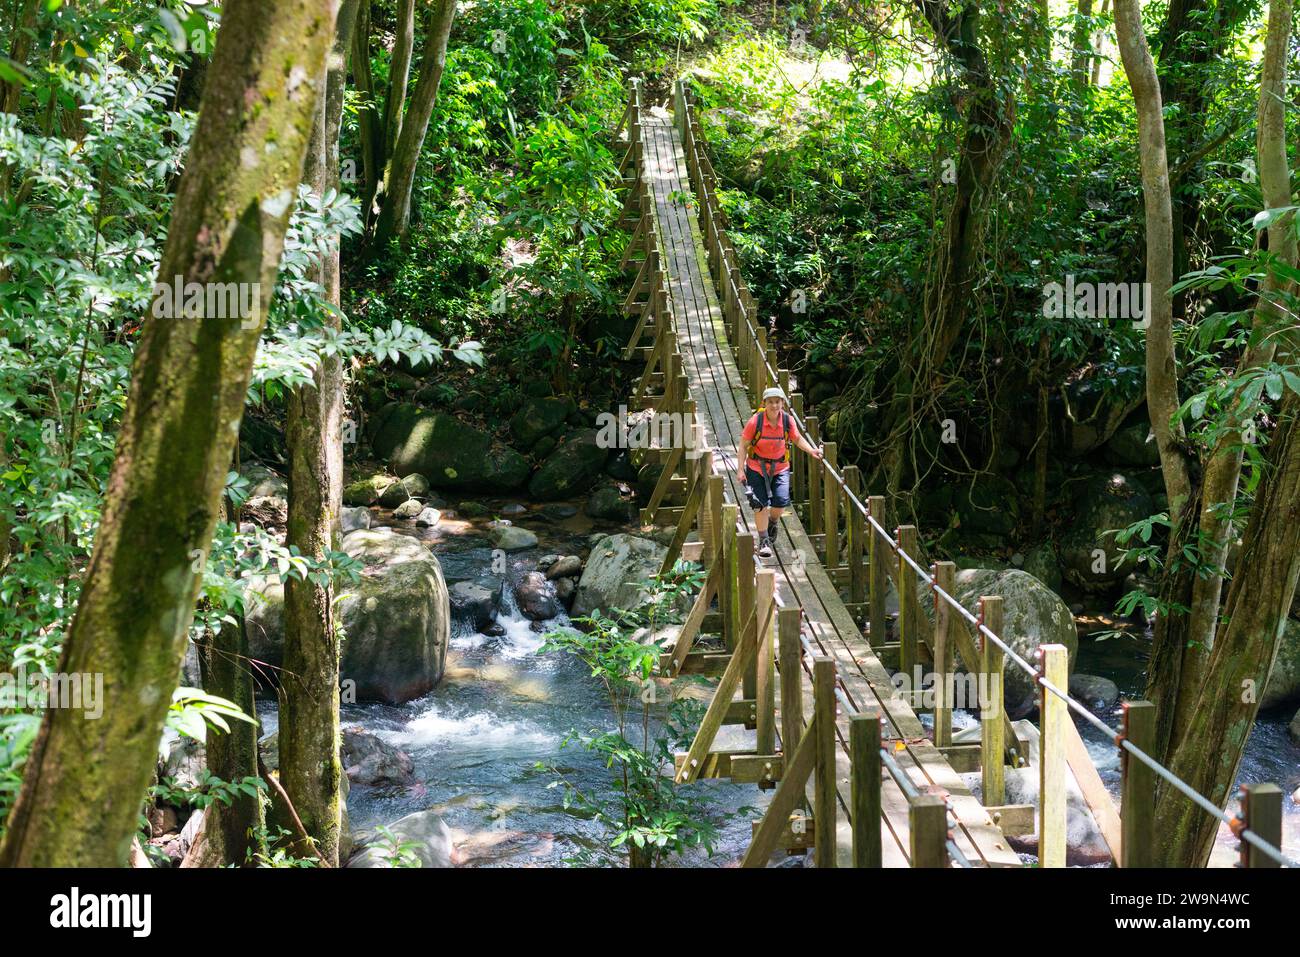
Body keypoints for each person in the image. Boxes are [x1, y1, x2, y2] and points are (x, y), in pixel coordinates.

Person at [736, 387, 822, 559]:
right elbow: (743, 445)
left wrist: (811, 450)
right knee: (759, 504)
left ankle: (773, 522)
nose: (774, 406)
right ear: (765, 404)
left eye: (777, 402)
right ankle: (764, 540)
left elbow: (797, 438)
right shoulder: (755, 422)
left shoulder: (787, 421)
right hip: (756, 467)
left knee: (781, 502)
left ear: (782, 403)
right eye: (770, 402)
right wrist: (740, 469)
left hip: (780, 467)